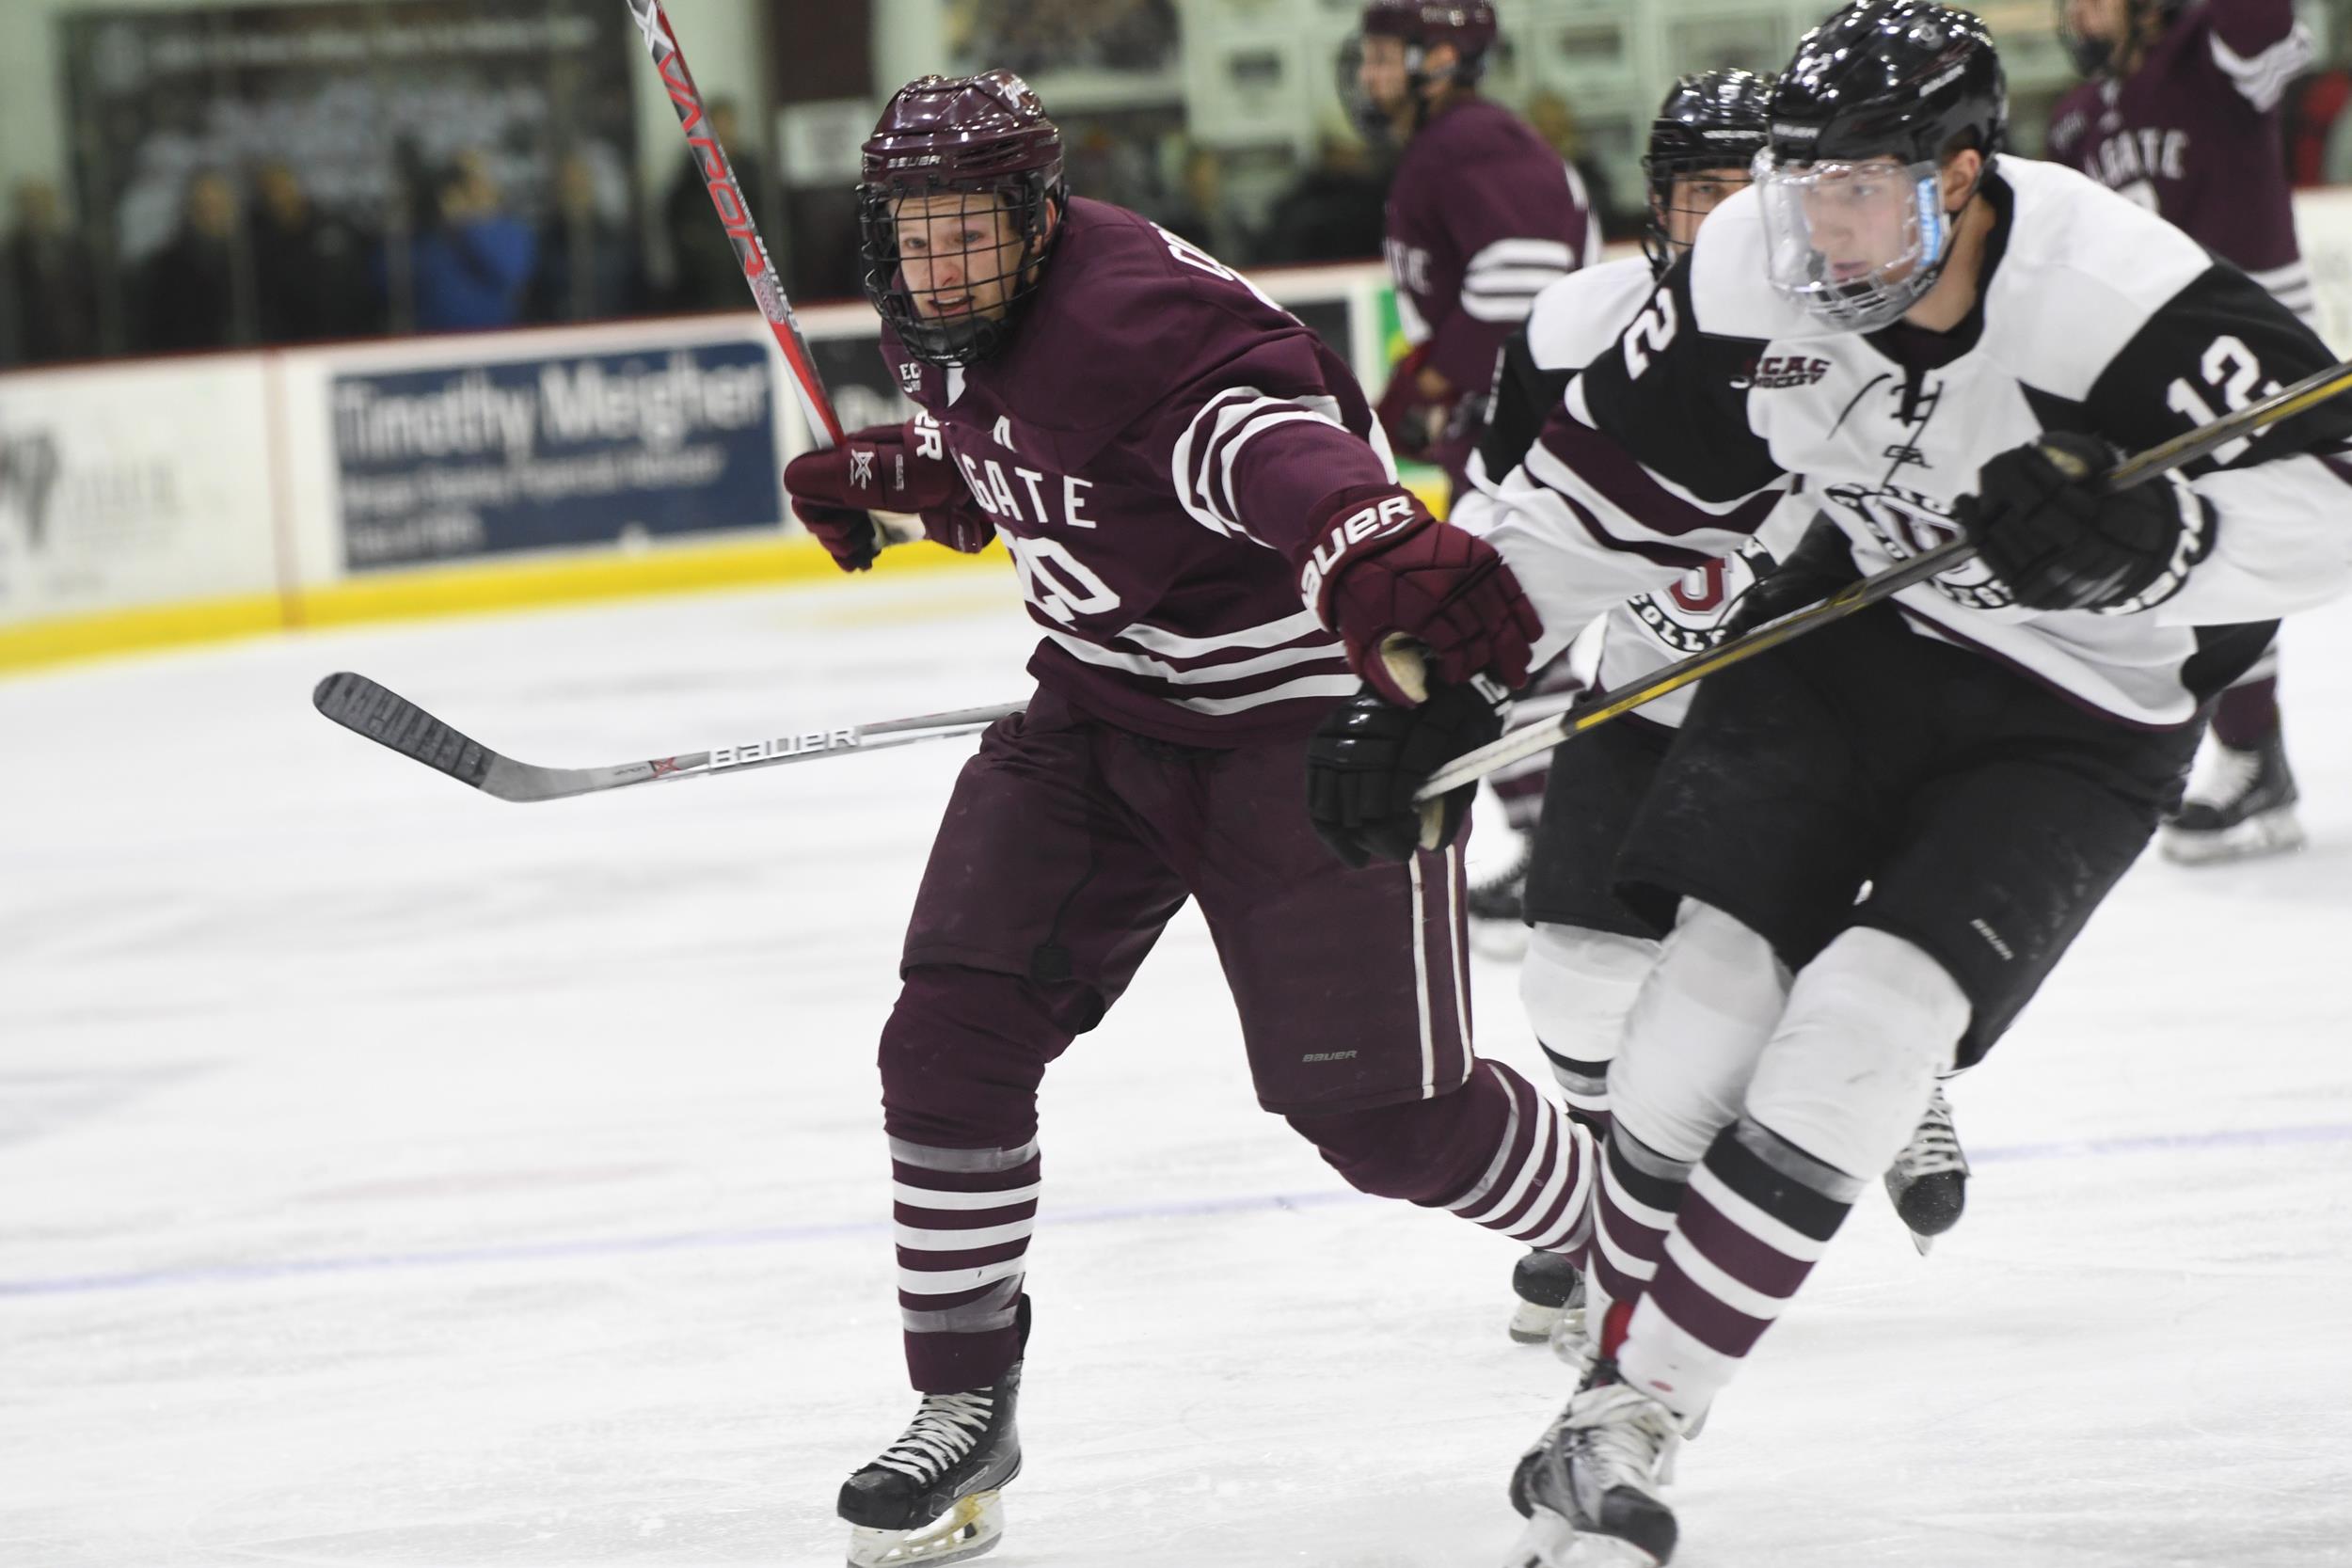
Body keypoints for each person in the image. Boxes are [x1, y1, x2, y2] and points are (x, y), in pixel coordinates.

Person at [1299, 5, 2352, 1561]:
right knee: (1698, 1005)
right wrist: (1443, 688)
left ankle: (1632, 1412)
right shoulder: (1753, 269)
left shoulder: (2109, 292)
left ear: (1965, 175)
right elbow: (1588, 504)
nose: (1823, 231)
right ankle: (1609, 1389)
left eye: (1864, 190)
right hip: (1850, 636)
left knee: (1869, 1030)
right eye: (1803, 186)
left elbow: (2330, 498)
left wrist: (2163, 542)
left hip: (2085, 709)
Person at [780, 71, 1595, 1568]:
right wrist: (907, 476)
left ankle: (1609, 1222)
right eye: (912, 235)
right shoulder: (937, 314)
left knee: (1390, 1121)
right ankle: (964, 1401)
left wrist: (1369, 545)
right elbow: (1045, 464)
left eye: (967, 232)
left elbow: (1263, 448)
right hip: (1100, 716)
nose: (936, 267)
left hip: (1299, 733)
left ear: (1038, 217)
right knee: (948, 1040)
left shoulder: (1136, 320)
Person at [1353, 0, 1603, 928]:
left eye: (1386, 55)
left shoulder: (1468, 141)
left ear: (1442, 57)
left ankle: (1570, 843)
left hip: (1525, 435)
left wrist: (1437, 376)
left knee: (1492, 632)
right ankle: (1568, 839)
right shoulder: (1455, 144)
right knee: (1510, 637)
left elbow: (1524, 275)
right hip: (1511, 426)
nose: (1368, 74)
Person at [2047, 0, 2316, 862]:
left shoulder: (2209, 57)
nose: (2080, 14)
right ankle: (2252, 752)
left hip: (2261, 350)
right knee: (2212, 558)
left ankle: (2253, 753)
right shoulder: (2074, 119)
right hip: (2156, 359)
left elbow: (2263, 23)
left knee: (2264, 542)